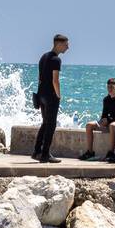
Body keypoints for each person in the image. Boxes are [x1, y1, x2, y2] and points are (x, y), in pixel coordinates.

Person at [31, 34, 69, 162]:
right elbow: (55, 80)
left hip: (41, 94)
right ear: (58, 44)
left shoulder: (43, 57)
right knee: (51, 125)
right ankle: (45, 154)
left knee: (45, 123)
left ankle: (36, 151)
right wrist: (58, 95)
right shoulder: (56, 60)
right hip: (50, 96)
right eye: (66, 44)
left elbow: (39, 77)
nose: (67, 47)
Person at [79, 78, 115, 160]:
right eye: (108, 87)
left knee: (112, 125)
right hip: (108, 122)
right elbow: (104, 115)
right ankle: (90, 152)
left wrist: (110, 120)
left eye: (112, 87)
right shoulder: (106, 99)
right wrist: (102, 121)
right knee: (89, 125)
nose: (109, 89)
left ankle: (112, 152)